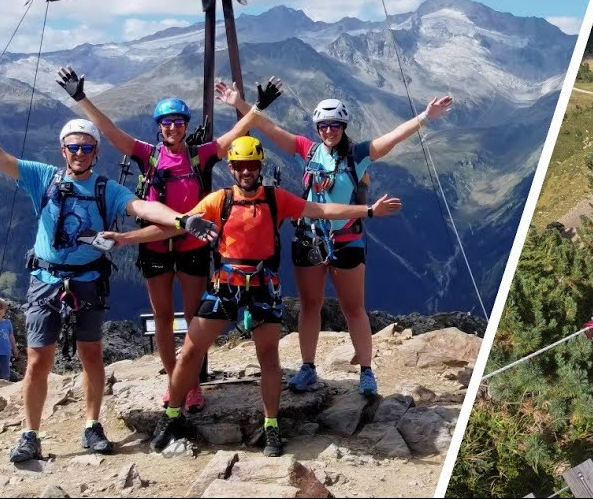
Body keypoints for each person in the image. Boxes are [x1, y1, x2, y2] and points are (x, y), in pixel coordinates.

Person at [0, 101, 218, 463]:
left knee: (91, 354)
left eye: (87, 147)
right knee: (37, 358)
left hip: (88, 281)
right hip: (46, 281)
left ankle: (92, 425)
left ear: (95, 151)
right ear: (63, 150)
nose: (79, 153)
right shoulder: (43, 177)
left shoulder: (107, 189)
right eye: (73, 147)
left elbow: (142, 208)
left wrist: (183, 219)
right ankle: (30, 433)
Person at [103, 136, 404, 457]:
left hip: (259, 288)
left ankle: (271, 425)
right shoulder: (218, 201)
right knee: (191, 352)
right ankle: (173, 415)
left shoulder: (276, 199)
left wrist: (368, 211)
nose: (246, 171)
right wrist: (125, 238)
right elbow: (175, 228)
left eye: (251, 165)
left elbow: (322, 209)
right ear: (231, 169)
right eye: (240, 166)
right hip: (227, 286)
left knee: (269, 360)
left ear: (258, 166)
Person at [56, 66, 281, 412]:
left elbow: (237, 132)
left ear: (186, 126)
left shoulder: (200, 154)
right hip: (155, 245)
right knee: (162, 317)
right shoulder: (147, 154)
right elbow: (110, 132)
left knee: (195, 318)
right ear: (159, 127)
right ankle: (174, 379)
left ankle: (191, 385)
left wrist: (257, 108)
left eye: (179, 122)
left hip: (191, 246)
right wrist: (80, 98)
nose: (173, 127)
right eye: (167, 122)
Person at [235, 93, 452, 396]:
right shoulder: (307, 150)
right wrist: (240, 103)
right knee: (310, 306)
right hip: (310, 239)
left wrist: (426, 116)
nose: (329, 131)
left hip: (345, 240)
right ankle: (308, 367)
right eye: (323, 126)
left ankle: (366, 371)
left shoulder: (358, 154)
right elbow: (268, 127)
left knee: (354, 308)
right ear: (317, 127)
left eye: (334, 125)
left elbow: (392, 138)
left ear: (343, 125)